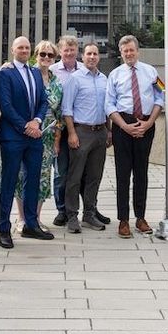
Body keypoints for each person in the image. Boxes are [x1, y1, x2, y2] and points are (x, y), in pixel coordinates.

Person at [0, 40, 62, 228]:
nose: (47, 57)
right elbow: (6, 105)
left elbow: (49, 105)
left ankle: (33, 222)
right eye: (43, 54)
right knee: (13, 180)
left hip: (41, 137)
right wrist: (27, 126)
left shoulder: (45, 77)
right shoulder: (8, 71)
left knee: (36, 180)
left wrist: (39, 123)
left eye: (50, 55)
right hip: (16, 134)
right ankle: (12, 224)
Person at [105, 35, 164, 238]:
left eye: (132, 50)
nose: (129, 54)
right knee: (123, 174)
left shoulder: (151, 72)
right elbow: (109, 104)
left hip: (146, 125)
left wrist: (149, 123)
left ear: (137, 51)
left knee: (142, 173)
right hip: (123, 126)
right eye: (125, 51)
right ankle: (123, 220)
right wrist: (124, 126)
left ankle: (140, 217)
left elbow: (161, 96)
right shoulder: (114, 74)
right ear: (121, 53)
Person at [61, 43, 109, 233]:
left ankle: (89, 213)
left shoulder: (104, 79)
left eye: (95, 54)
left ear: (99, 57)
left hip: (100, 132)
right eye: (88, 53)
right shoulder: (75, 78)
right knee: (75, 177)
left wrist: (109, 131)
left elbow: (108, 107)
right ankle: (71, 215)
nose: (92, 57)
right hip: (81, 132)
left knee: (94, 177)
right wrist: (72, 133)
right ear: (83, 56)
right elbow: (67, 108)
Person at [49, 35, 87, 227]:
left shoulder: (85, 70)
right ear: (60, 51)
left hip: (80, 128)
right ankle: (62, 210)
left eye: (73, 49)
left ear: (77, 51)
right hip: (59, 130)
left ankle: (86, 210)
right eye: (66, 49)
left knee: (82, 173)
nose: (69, 53)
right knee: (61, 172)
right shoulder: (51, 71)